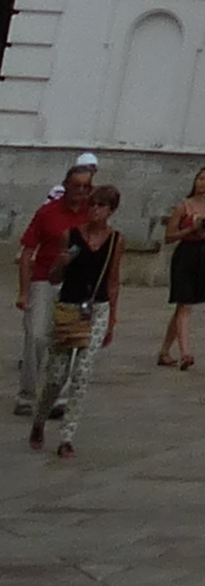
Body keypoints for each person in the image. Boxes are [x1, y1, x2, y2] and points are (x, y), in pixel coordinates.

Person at [26, 185, 123, 456]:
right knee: (57, 375)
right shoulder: (71, 235)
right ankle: (40, 418)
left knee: (82, 373)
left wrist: (112, 318)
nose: (94, 210)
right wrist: (62, 262)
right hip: (69, 308)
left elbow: (113, 281)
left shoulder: (116, 240)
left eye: (100, 206)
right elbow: (55, 278)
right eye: (91, 205)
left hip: (96, 309)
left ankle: (67, 436)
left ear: (110, 211)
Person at [17, 156, 99, 420]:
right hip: (43, 278)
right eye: (77, 186)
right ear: (66, 185)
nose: (81, 192)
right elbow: (28, 250)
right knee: (36, 336)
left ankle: (57, 398)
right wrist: (24, 291)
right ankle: (27, 395)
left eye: (87, 187)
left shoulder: (92, 214)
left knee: (67, 339)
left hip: (75, 284)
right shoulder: (47, 213)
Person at [158, 166, 205, 370]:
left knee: (183, 305)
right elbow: (169, 236)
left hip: (202, 255)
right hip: (185, 254)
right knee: (185, 303)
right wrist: (191, 229)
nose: (203, 183)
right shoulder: (183, 206)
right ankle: (185, 353)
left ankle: (164, 351)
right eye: (200, 179)